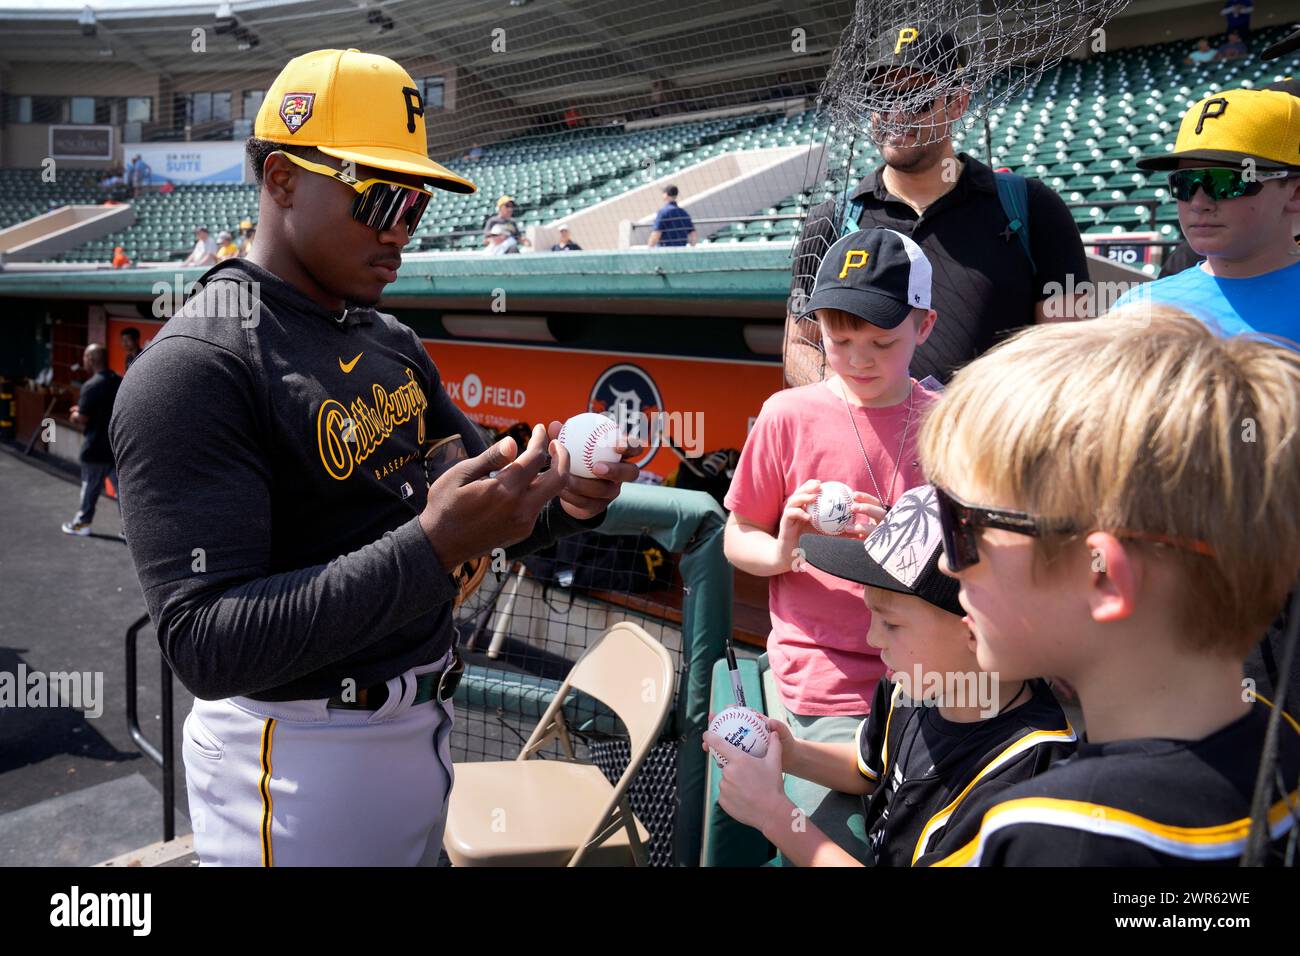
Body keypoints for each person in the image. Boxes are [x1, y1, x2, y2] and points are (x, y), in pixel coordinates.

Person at [110, 48, 638, 867]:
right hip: (295, 760)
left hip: (423, 728)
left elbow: (480, 520)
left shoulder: (386, 337)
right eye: (380, 195)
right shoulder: (195, 367)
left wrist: (568, 501)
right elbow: (207, 643)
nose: (401, 226)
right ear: (282, 179)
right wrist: (432, 546)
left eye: (417, 204)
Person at [921, 310, 1300, 866]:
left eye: (962, 525)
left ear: (1102, 573)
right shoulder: (1283, 742)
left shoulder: (1035, 838)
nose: (949, 567)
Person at [708, 484, 1076, 866]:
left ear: (975, 629)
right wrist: (790, 753)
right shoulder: (916, 684)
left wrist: (776, 817)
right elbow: (868, 768)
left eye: (891, 623)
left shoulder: (1026, 778)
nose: (871, 637)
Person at [723, 228, 941, 863]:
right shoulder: (787, 413)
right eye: (840, 341)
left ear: (924, 327)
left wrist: (900, 543)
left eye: (882, 341)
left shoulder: (951, 421)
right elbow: (740, 535)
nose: (859, 359)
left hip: (929, 680)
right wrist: (785, 548)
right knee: (842, 839)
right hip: (826, 684)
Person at [790, 28, 1088, 388]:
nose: (896, 115)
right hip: (867, 443)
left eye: (916, 97)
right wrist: (863, 411)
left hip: (985, 440)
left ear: (958, 103)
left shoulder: (1033, 207)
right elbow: (799, 344)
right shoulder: (832, 221)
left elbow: (1071, 351)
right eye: (881, 98)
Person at [1107, 88, 1300, 346]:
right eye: (1184, 183)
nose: (1198, 203)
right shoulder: (1137, 308)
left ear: (1296, 193)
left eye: (1225, 182)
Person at [61, 344, 122, 537]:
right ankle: (130, 531)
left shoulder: (90, 385)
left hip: (95, 447)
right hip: (116, 446)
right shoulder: (119, 381)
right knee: (124, 493)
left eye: (85, 357)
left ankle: (82, 524)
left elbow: (82, 418)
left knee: (90, 488)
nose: (83, 361)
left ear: (91, 359)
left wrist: (75, 414)